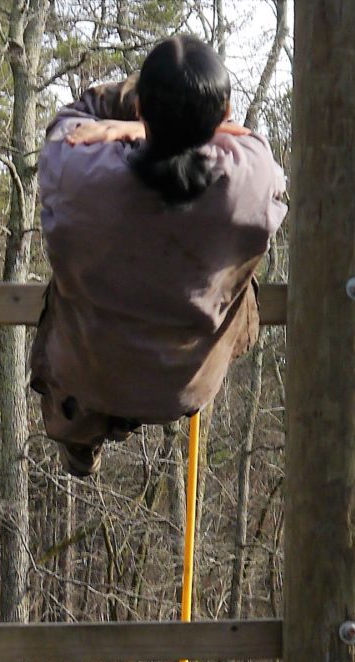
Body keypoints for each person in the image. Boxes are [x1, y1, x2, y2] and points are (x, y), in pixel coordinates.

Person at [31, 35, 287, 477]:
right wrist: (158, 125)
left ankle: (78, 433)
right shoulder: (252, 179)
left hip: (91, 372)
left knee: (70, 296)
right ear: (223, 114)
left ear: (144, 109)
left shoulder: (75, 169)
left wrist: (128, 117)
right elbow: (247, 140)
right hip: (189, 383)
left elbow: (74, 121)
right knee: (241, 273)